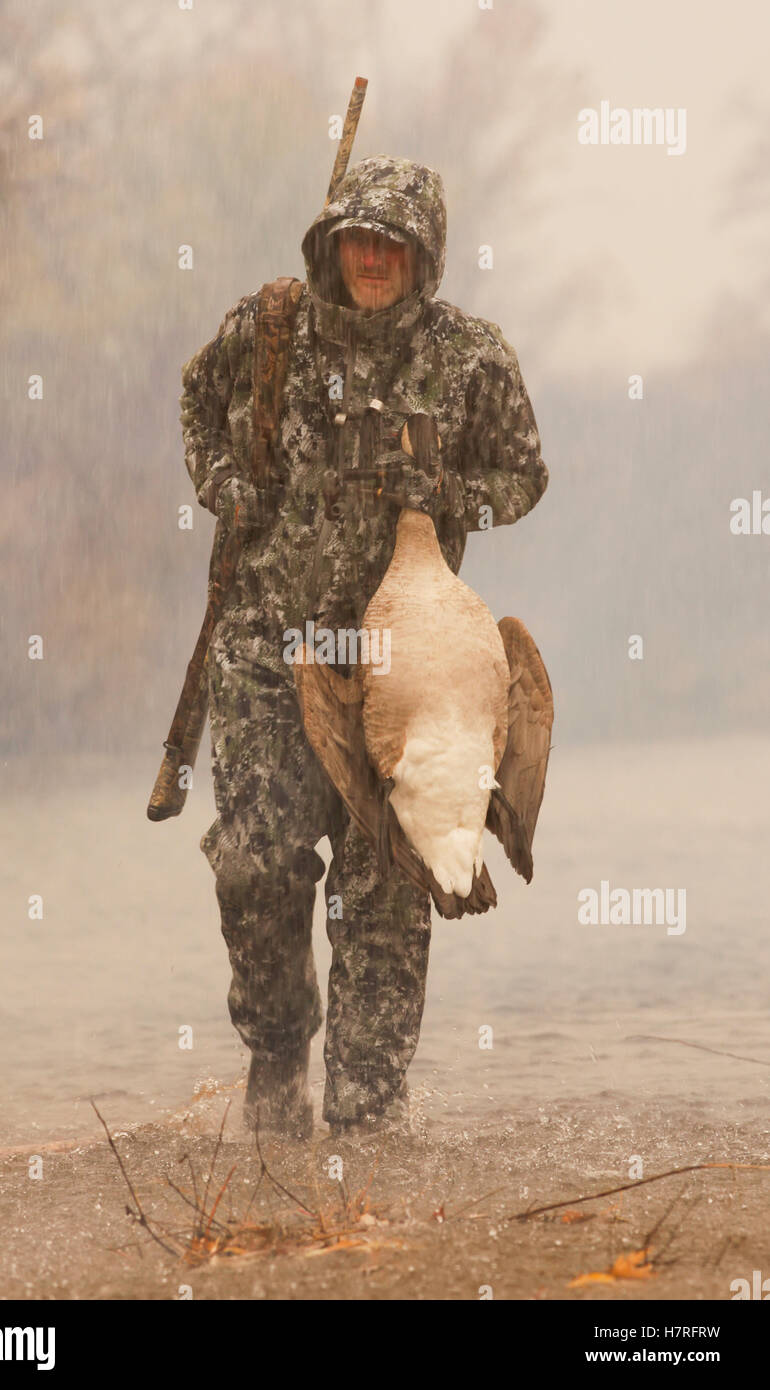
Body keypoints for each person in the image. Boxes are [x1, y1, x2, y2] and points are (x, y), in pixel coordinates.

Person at [180, 155, 548, 1139]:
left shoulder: (471, 356)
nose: (372, 255)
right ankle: (273, 1057)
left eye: (393, 241)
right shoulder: (266, 332)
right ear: (331, 239)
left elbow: (523, 475)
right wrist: (230, 484)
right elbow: (196, 408)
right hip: (269, 651)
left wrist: (450, 500)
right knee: (253, 864)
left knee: (383, 882)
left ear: (421, 252)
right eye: (356, 236)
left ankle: (366, 1117)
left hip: (404, 667)